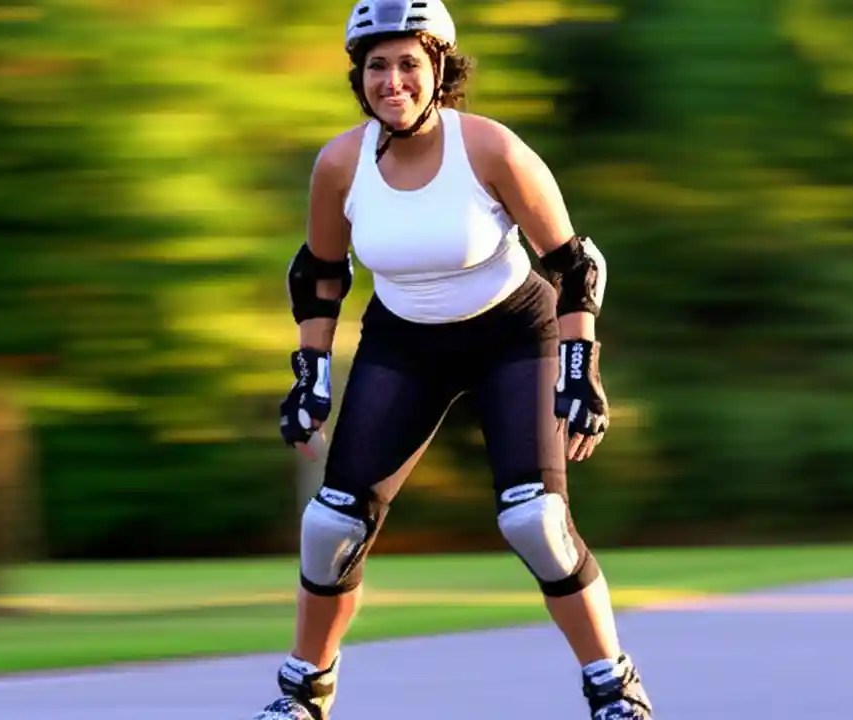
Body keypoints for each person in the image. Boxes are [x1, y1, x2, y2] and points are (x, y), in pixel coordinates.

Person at [256, 1, 654, 718]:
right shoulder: (341, 163)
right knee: (331, 527)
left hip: (513, 335)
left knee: (535, 521)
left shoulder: (491, 149)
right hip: (404, 341)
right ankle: (303, 696)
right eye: (377, 66)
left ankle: (614, 688)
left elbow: (573, 267)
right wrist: (309, 374)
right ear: (359, 78)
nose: (393, 81)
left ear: (441, 68)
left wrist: (580, 368)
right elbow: (319, 276)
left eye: (410, 63)